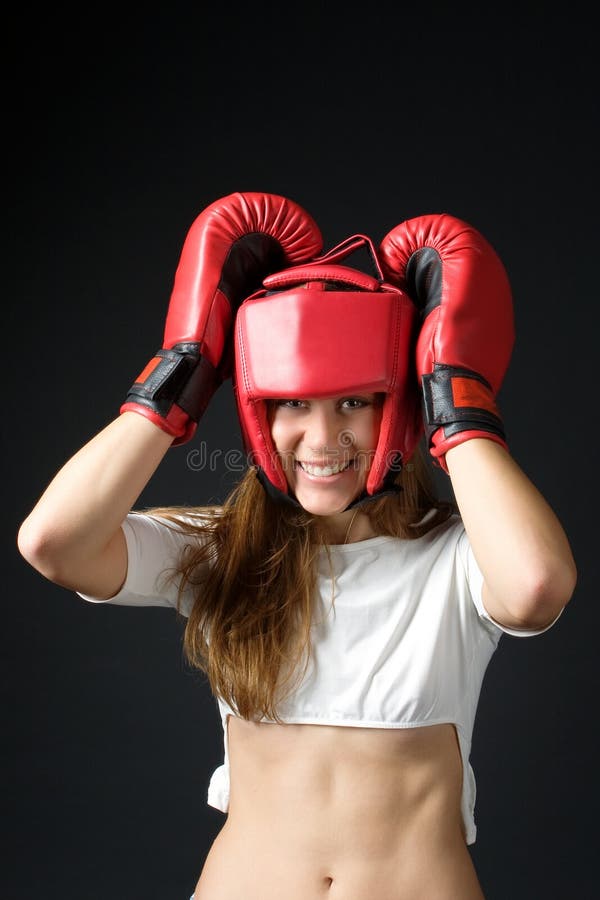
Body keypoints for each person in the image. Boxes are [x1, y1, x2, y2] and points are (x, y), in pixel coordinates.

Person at [17, 191, 577, 900]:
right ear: (256, 406)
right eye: (291, 401)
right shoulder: (220, 549)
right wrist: (181, 372)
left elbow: (536, 587)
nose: (321, 440)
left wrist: (453, 395)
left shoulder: (457, 559)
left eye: (354, 401)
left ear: (400, 406)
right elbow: (52, 542)